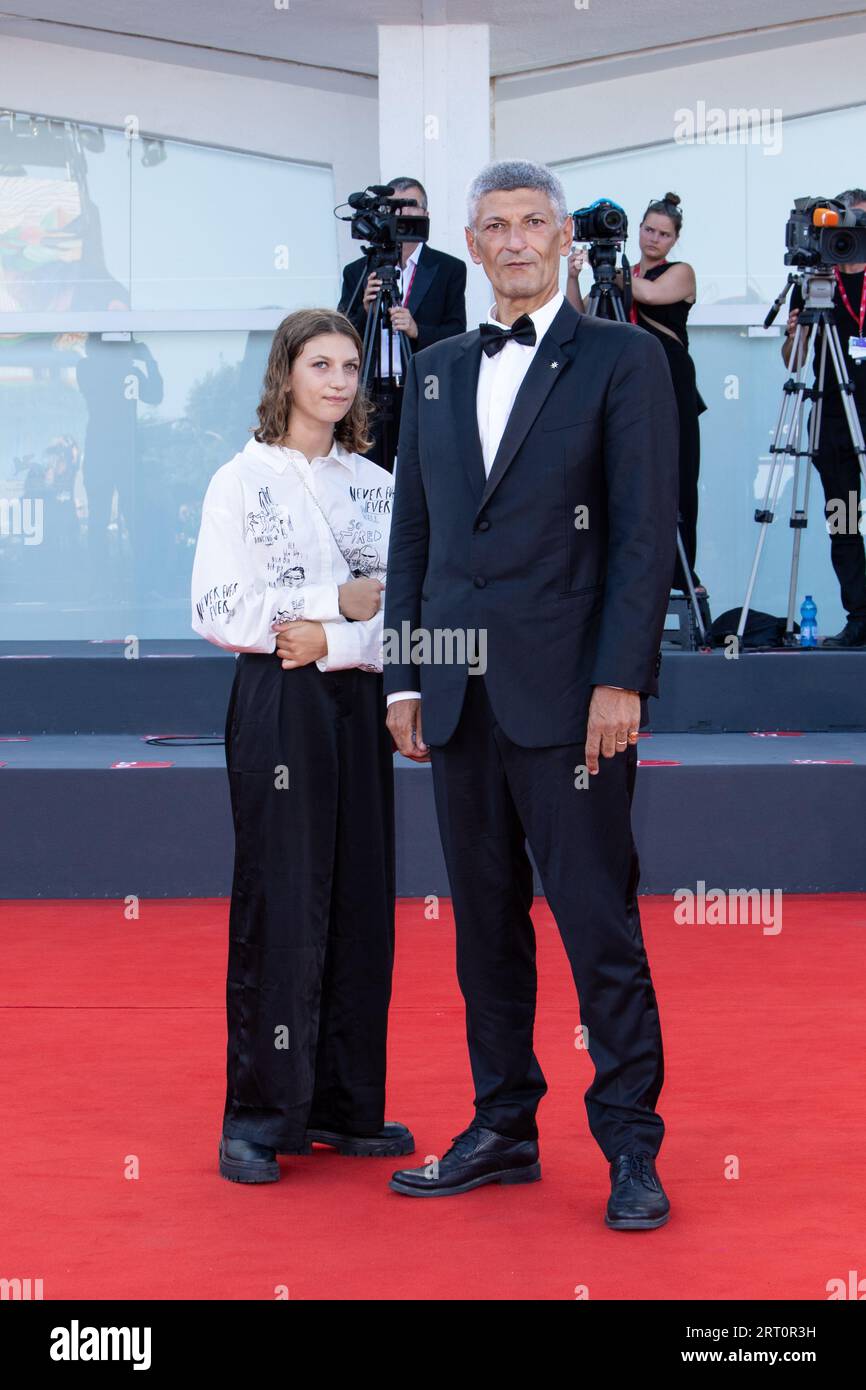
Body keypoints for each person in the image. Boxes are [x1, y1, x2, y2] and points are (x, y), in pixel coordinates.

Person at [383, 160, 679, 1229]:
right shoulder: (433, 371)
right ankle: (501, 1124)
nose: (512, 240)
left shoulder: (621, 359)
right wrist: (405, 679)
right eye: (493, 224)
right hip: (456, 694)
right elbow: (413, 533)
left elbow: (642, 536)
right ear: (470, 240)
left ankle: (630, 1146)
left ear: (560, 238)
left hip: (572, 697)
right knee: (482, 930)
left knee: (598, 925)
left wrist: (619, 679)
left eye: (531, 222)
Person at [190, 307, 413, 1183]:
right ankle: (257, 1114)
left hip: (356, 698)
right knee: (282, 902)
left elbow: (404, 608)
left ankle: (347, 1106)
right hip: (278, 701)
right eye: (320, 364)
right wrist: (331, 602)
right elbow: (214, 611)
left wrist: (338, 639)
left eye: (351, 366)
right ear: (285, 374)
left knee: (362, 898)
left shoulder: (377, 484)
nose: (339, 381)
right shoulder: (238, 483)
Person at [567, 191, 705, 596]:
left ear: (674, 239)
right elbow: (577, 318)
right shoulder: (614, 277)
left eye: (663, 233)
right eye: (648, 229)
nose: (654, 239)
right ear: (638, 229)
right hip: (623, 386)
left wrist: (605, 267)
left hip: (671, 383)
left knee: (677, 474)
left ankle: (680, 572)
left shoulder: (680, 272)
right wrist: (576, 275)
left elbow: (650, 295)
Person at [783, 188, 866, 647]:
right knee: (845, 521)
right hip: (833, 419)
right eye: (847, 223)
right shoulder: (816, 280)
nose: (854, 232)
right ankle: (861, 616)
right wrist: (795, 332)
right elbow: (793, 361)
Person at [338, 177, 467, 470]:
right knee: (367, 482)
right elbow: (339, 335)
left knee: (423, 476)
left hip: (420, 390)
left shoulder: (449, 269)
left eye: (412, 208)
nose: (403, 217)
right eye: (395, 208)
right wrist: (364, 309)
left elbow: (457, 335)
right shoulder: (358, 271)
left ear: (426, 215)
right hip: (370, 393)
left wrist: (416, 329)